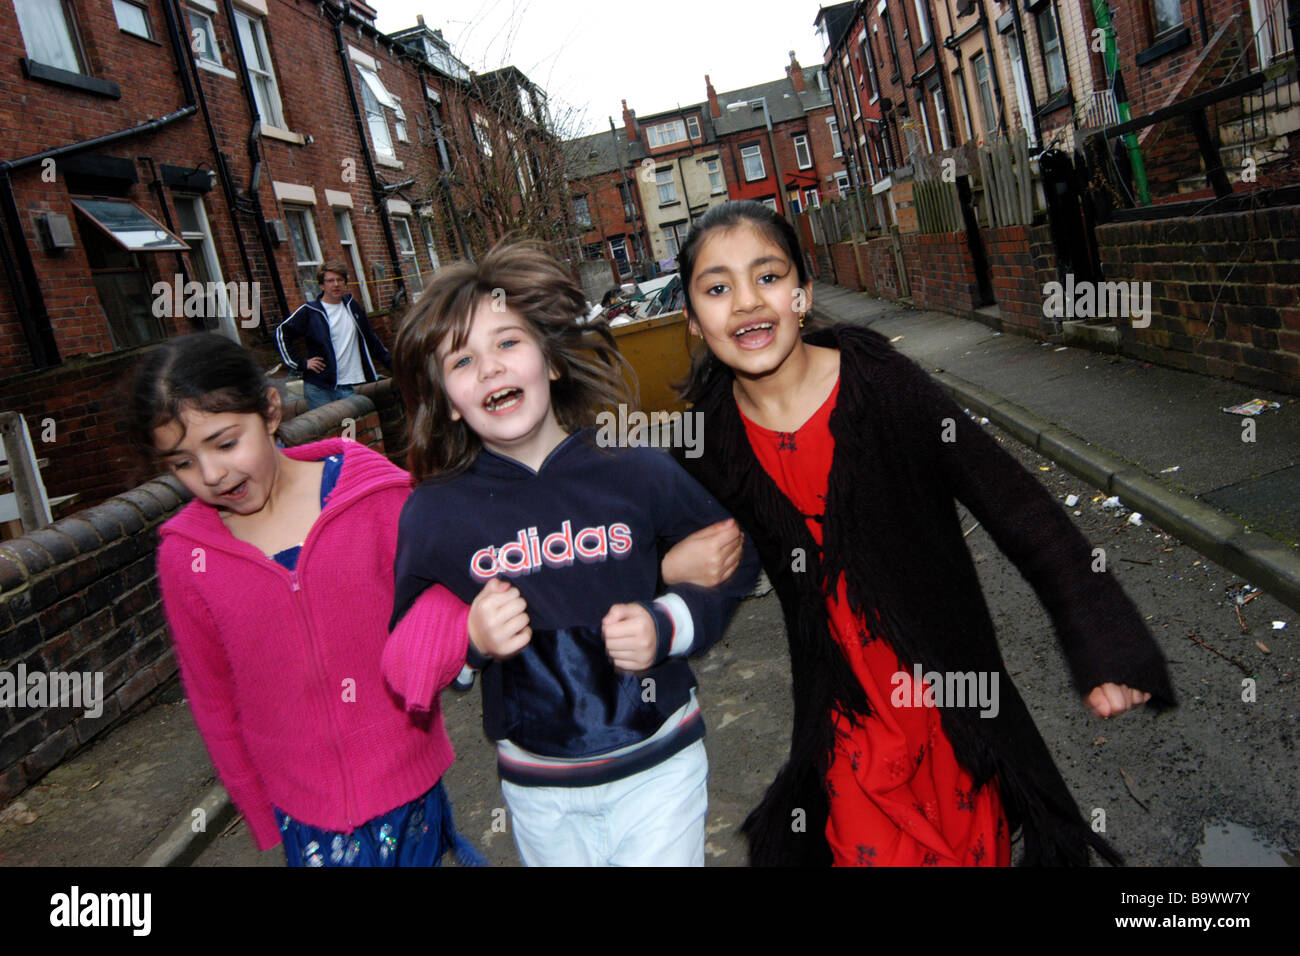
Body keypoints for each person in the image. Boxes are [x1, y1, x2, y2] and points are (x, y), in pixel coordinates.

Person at [671, 200, 1176, 867]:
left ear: (804, 293)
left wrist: (1104, 637)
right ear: (691, 319)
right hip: (846, 722)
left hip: (950, 713)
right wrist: (675, 566)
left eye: (767, 276)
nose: (745, 302)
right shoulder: (708, 440)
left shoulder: (883, 389)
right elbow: (640, 547)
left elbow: (1016, 505)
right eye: (717, 288)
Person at [387, 240, 760, 866]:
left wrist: (668, 620)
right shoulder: (433, 514)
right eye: (462, 360)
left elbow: (735, 553)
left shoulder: (632, 463)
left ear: (551, 363)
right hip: (537, 790)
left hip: (659, 764)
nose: (490, 369)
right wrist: (469, 638)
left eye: (508, 343)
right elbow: (406, 656)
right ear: (449, 401)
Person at [134, 332, 479, 866]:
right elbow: (212, 696)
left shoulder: (378, 498)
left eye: (225, 443)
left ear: (270, 411)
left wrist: (438, 653)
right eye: (181, 462)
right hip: (303, 811)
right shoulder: (186, 559)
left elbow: (445, 590)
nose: (211, 474)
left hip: (407, 786)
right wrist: (257, 807)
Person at [275, 262, 391, 410]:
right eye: (330, 281)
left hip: (350, 386)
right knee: (330, 431)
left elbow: (372, 341)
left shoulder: (352, 306)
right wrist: (300, 364)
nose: (335, 284)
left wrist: (393, 365)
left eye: (339, 280)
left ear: (345, 283)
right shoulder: (310, 311)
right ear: (322, 286)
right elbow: (280, 334)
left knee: (353, 428)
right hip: (319, 387)